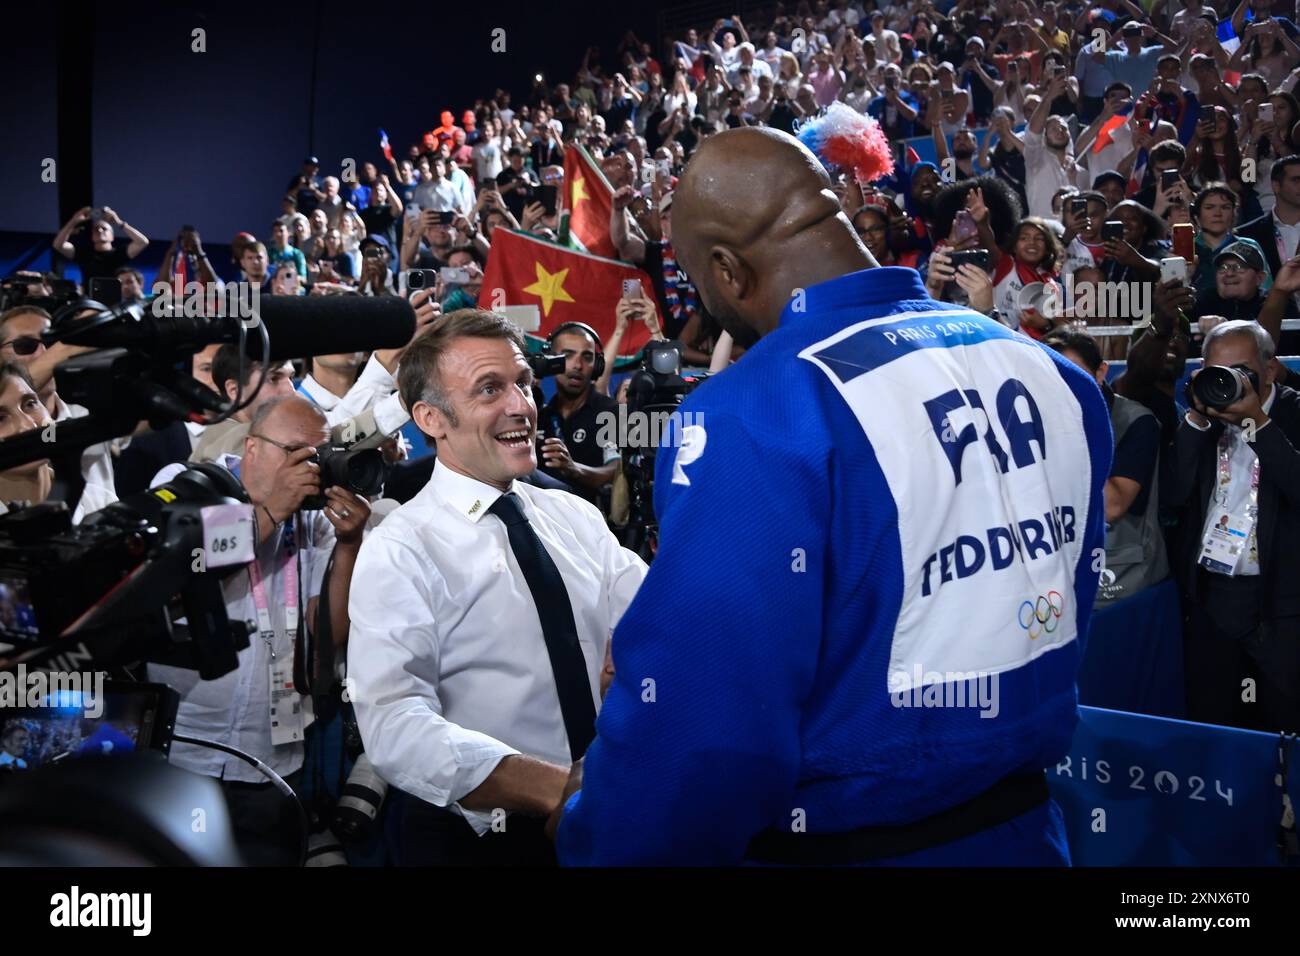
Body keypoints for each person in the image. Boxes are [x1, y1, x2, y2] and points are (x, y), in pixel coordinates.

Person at [551, 126, 1111, 866]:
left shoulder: (758, 411)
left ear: (726, 269)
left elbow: (709, 724)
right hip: (1029, 831)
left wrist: (601, 833)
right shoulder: (1052, 375)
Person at [346, 310, 648, 865]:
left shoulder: (573, 515)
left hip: (617, 814)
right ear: (431, 418)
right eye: (491, 389)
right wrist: (557, 789)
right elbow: (393, 725)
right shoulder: (401, 548)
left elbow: (657, 618)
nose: (521, 406)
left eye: (524, 384)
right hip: (480, 844)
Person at [149, 395, 370, 865]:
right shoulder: (187, 482)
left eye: (319, 455)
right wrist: (271, 510)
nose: (310, 469)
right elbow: (183, 574)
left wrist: (350, 546)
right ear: (252, 448)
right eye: (297, 454)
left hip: (273, 758)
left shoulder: (314, 521)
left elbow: (327, 632)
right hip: (183, 749)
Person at [1165, 320, 1300, 734]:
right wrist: (1197, 422)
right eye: (1216, 371)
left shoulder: (1295, 411)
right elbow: (1170, 495)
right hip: (1213, 593)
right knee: (1216, 716)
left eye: (1242, 371)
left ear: (1271, 369)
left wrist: (1258, 422)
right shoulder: (1203, 418)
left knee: (1284, 718)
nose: (1228, 383)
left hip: (1283, 601)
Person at [1046, 331, 1168, 607]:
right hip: (1057, 572)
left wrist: (1072, 430)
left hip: (1123, 580)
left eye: (1073, 374)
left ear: (1101, 372)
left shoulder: (1137, 422)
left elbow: (1112, 505)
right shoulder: (1030, 421)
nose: (1061, 386)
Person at [536, 323, 621, 506]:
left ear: (597, 366)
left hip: (592, 522)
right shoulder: (537, 417)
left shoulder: (611, 413)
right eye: (568, 355)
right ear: (551, 361)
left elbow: (616, 470)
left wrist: (574, 469)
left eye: (587, 357)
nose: (578, 365)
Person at [51, 207, 149, 285]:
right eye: (96, 229)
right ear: (92, 236)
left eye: (104, 229)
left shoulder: (119, 254)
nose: (100, 230)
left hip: (114, 300)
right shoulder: (83, 254)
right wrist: (74, 221)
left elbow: (142, 242)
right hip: (90, 301)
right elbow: (58, 245)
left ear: (112, 236)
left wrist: (119, 222)